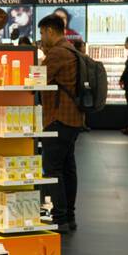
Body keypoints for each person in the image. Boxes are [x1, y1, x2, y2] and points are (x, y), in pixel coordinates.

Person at [37, 13, 86, 231]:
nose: (41, 37)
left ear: (49, 31)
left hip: (57, 118)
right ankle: (69, 216)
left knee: (52, 168)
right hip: (73, 118)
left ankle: (59, 217)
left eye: (41, 33)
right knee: (67, 167)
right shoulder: (72, 50)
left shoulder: (57, 53)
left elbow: (38, 79)